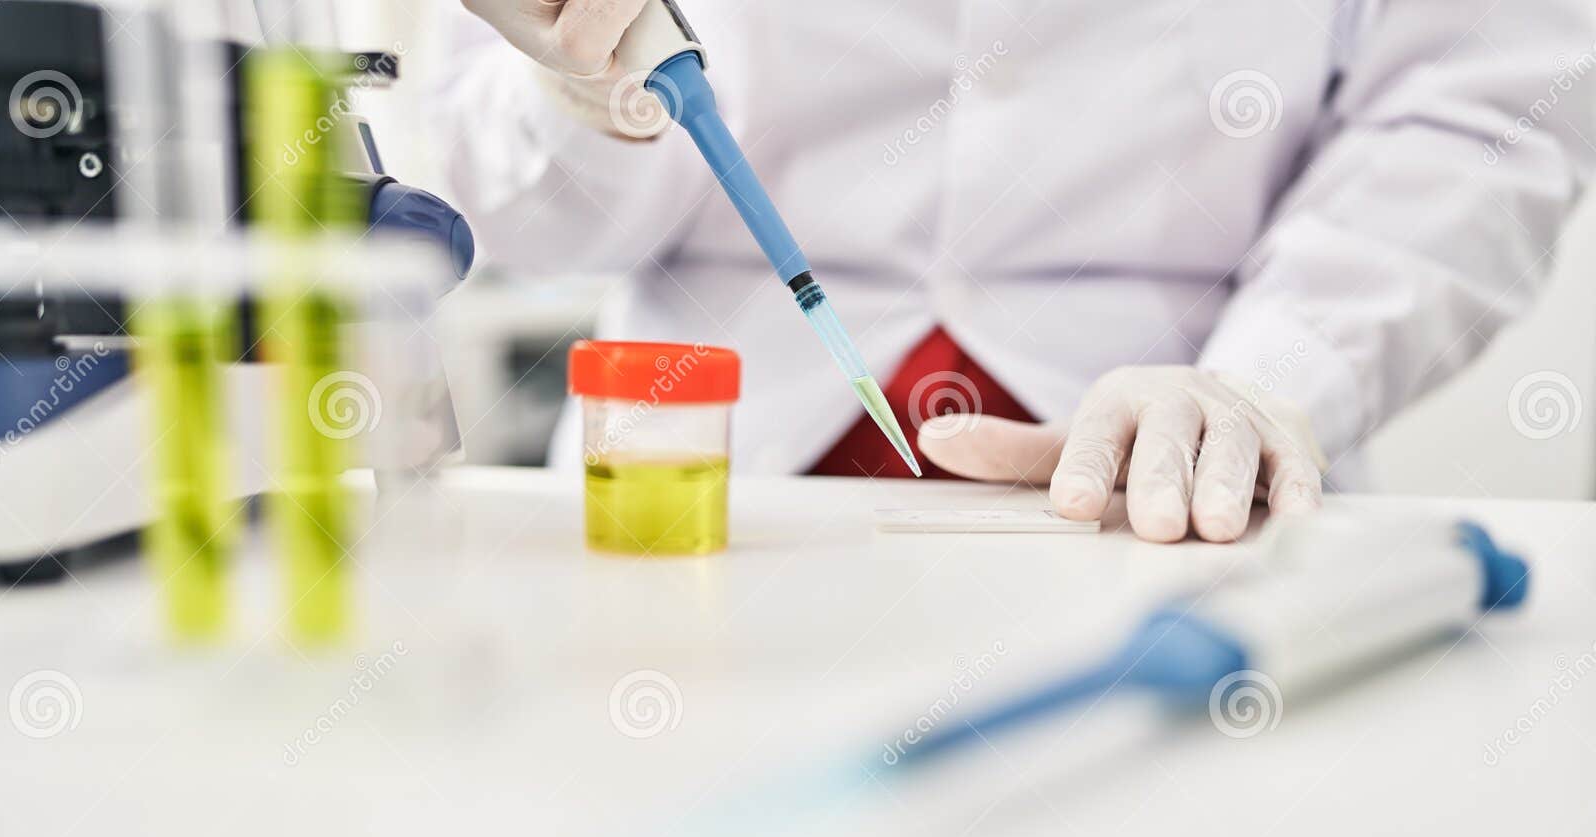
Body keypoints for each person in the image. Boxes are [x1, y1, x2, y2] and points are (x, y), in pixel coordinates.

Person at [439, 0, 1594, 542]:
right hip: (699, 496)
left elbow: (1475, 114)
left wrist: (1270, 378)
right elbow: (518, 221)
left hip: (1184, 494)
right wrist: (584, 88)